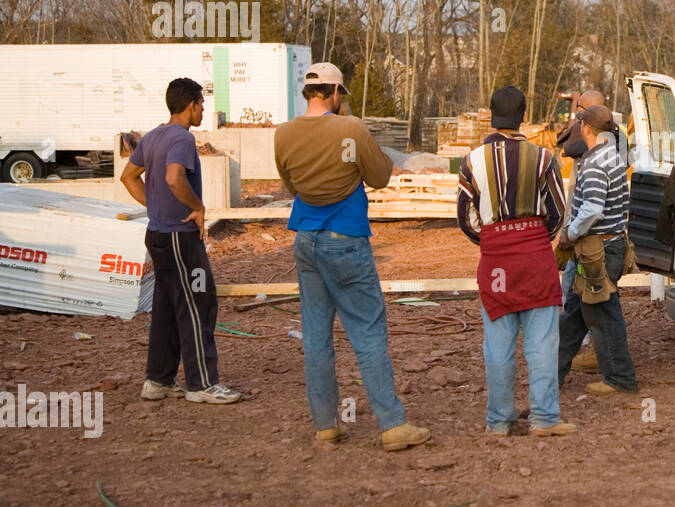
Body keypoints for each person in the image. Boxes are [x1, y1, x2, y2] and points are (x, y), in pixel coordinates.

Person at [273, 62, 429, 451]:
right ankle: (392, 425)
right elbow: (379, 177)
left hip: (305, 238)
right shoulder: (351, 128)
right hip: (346, 238)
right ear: (335, 93)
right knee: (367, 332)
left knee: (316, 335)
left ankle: (326, 424)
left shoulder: (283, 134)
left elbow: (291, 183)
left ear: (308, 93)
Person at [457, 86, 576, 437]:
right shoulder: (542, 159)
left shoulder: (471, 161)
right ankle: (544, 418)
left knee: (498, 343)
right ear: (524, 116)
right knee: (542, 342)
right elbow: (556, 214)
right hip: (535, 258)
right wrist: (532, 237)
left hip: (496, 262)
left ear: (490, 115)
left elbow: (466, 219)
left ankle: (499, 421)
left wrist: (494, 241)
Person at [121, 77, 241, 405]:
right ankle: (202, 384)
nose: (203, 109)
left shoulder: (154, 136)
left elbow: (128, 176)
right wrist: (197, 207)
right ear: (190, 105)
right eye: (201, 103)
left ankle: (158, 381)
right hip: (180, 238)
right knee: (198, 303)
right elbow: (175, 177)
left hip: (157, 234)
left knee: (166, 307)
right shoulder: (182, 139)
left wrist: (155, 205)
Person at [556, 104, 638, 395]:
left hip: (597, 253)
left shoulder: (593, 164)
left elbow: (592, 208)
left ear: (587, 129)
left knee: (603, 315)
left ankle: (621, 379)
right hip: (608, 247)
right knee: (575, 315)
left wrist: (570, 233)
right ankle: (553, 374)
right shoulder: (613, 157)